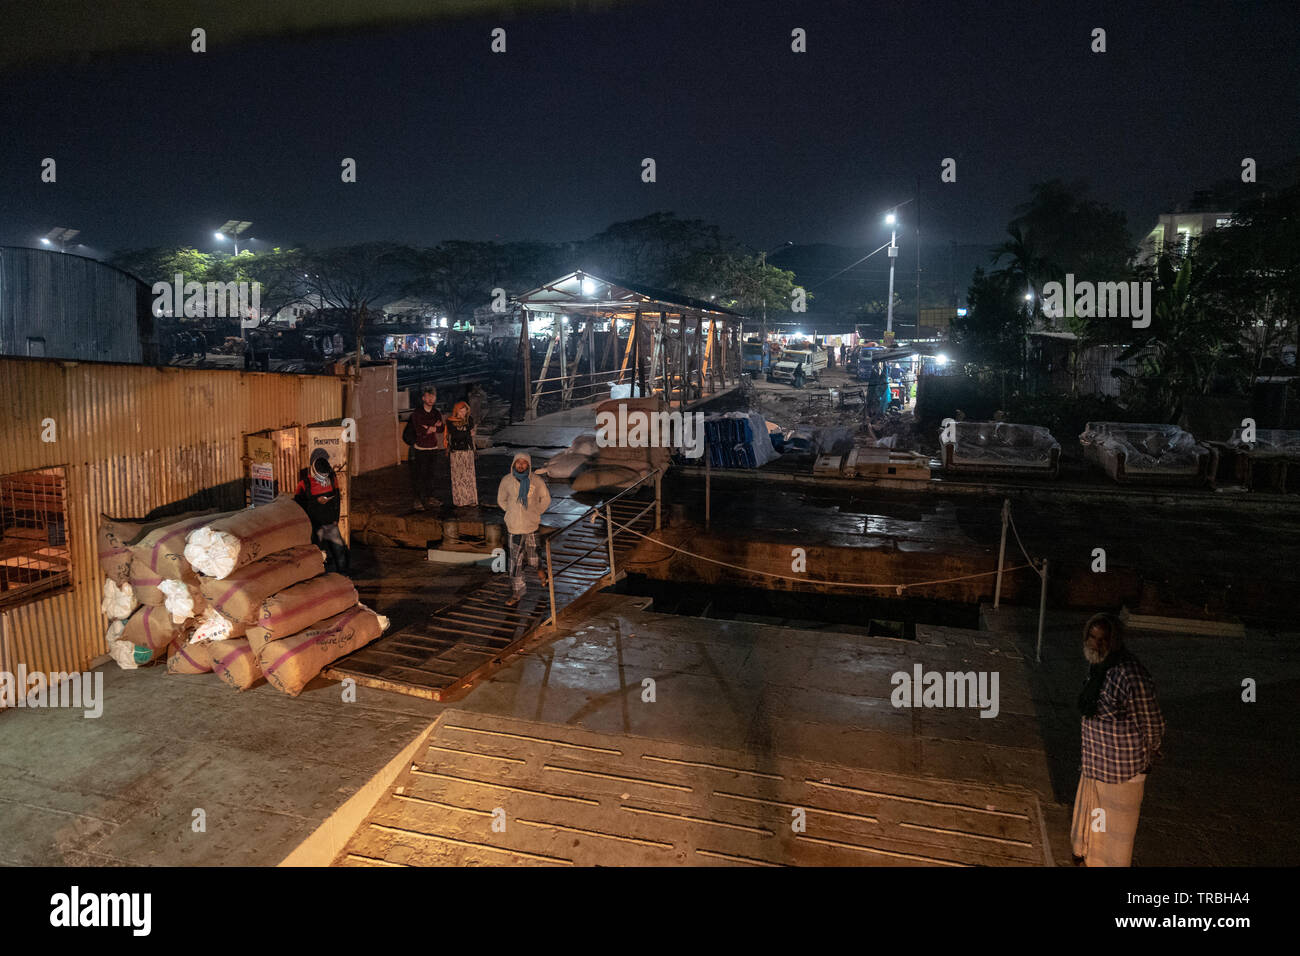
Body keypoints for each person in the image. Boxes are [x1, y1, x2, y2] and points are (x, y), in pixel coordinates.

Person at [1070, 612, 1165, 867]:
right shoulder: (1098, 667)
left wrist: (1151, 750)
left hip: (1122, 772)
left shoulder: (1129, 673)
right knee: (1097, 826)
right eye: (1092, 637)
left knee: (1117, 836)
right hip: (1096, 768)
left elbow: (1152, 721)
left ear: (1115, 641)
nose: (1096, 644)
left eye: (1103, 640)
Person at [496, 453, 551, 607]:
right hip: (514, 528)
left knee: (534, 558)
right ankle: (517, 593)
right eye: (518, 463)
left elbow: (546, 499)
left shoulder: (536, 481)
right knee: (515, 563)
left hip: (531, 526)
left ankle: (541, 571)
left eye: (524, 463)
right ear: (514, 464)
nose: (520, 465)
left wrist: (535, 512)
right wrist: (511, 512)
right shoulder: (507, 480)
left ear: (529, 465)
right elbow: (501, 499)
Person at [294, 449, 350, 574]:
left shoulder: (332, 477)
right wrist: (316, 502)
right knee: (317, 553)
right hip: (315, 525)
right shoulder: (304, 484)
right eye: (321, 476)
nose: (324, 478)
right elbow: (299, 505)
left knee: (339, 550)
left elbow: (337, 499)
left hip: (330, 522)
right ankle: (318, 577)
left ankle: (344, 576)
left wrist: (336, 518)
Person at [406, 386, 445, 510]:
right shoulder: (417, 413)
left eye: (432, 396)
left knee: (431, 475)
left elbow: (442, 428)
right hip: (420, 448)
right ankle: (417, 500)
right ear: (423, 398)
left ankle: (430, 497)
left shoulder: (436, 412)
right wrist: (432, 427)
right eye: (428, 396)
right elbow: (419, 430)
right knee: (419, 475)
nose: (430, 399)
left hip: (433, 447)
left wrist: (429, 428)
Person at [445, 400, 478, 507]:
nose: (463, 414)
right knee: (458, 476)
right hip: (456, 451)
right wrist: (467, 433)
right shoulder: (450, 421)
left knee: (469, 476)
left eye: (465, 411)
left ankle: (471, 499)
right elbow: (455, 435)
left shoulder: (469, 419)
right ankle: (460, 500)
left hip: (467, 450)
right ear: (456, 411)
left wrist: (466, 434)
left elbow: (470, 434)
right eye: (461, 411)